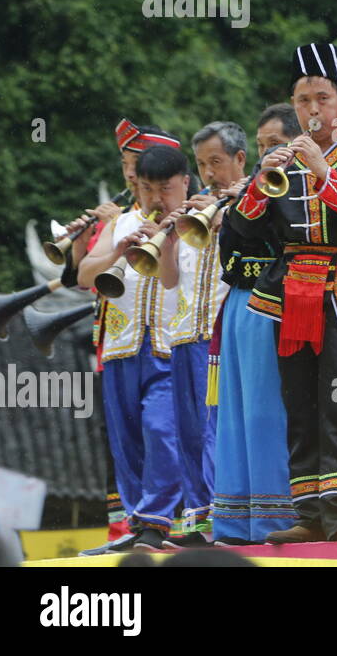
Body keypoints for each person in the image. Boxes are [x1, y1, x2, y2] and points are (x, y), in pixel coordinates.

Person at [231, 42, 337, 542]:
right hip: (293, 292)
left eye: (322, 98)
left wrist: (324, 174)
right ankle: (308, 512)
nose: (312, 110)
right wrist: (259, 185)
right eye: (303, 101)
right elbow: (241, 234)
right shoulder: (282, 161)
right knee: (300, 401)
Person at [78, 140, 188, 551]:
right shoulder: (120, 223)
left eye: (164, 188)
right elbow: (86, 275)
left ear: (182, 183)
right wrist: (119, 254)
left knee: (162, 429)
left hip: (168, 344)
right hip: (122, 347)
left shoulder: (193, 222)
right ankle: (137, 525)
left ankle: (159, 523)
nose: (155, 198)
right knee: (126, 438)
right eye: (146, 188)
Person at [209, 105, 301, 545]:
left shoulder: (299, 188)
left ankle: (273, 522)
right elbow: (232, 245)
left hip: (273, 302)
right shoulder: (252, 190)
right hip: (238, 303)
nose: (267, 153)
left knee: (266, 411)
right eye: (262, 145)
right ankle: (233, 523)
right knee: (235, 413)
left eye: (274, 144)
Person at [154, 121, 246, 546]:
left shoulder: (251, 201)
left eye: (217, 161)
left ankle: (224, 519)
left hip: (220, 334)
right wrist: (169, 241)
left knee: (215, 429)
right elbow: (170, 282)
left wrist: (224, 212)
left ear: (239, 160)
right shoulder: (196, 209)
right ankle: (197, 522)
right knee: (188, 431)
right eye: (203, 164)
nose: (209, 173)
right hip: (184, 334)